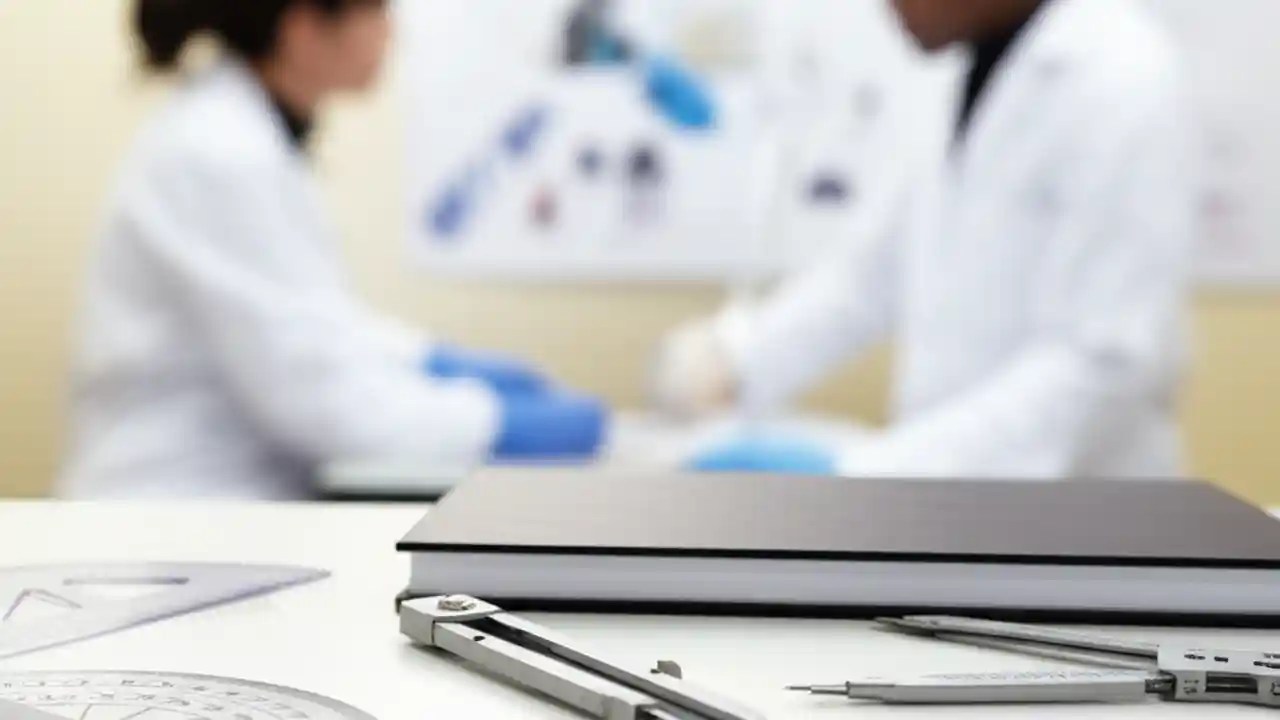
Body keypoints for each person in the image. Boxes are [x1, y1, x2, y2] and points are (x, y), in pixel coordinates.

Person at [61, 0, 607, 500]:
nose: (393, 33)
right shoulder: (218, 154)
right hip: (172, 512)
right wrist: (499, 422)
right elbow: (329, 407)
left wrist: (428, 361)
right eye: (378, 11)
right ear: (303, 29)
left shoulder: (242, 136)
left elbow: (311, 329)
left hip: (210, 512)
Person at [656, 0, 1196, 479]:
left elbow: (1105, 362)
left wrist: (868, 469)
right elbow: (871, 277)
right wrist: (734, 361)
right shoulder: (968, 73)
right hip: (953, 503)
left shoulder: (1120, 76)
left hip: (1079, 533)